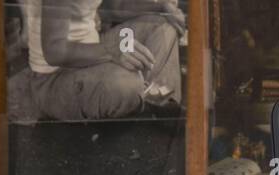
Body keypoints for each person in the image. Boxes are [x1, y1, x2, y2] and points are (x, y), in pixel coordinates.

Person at [20, 0, 185, 121]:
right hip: (54, 80)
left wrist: (159, 7)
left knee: (162, 23)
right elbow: (54, 52)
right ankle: (145, 105)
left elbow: (112, 8)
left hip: (94, 55)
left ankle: (160, 105)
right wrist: (112, 51)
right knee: (129, 83)